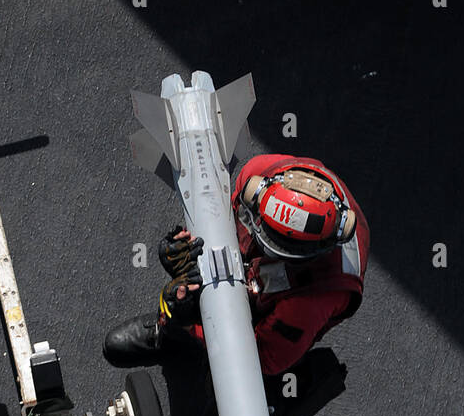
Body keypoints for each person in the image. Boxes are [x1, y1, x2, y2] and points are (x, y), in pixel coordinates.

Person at [103, 156, 369, 377]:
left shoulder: (314, 300)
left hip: (285, 307)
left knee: (230, 391)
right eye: (265, 241)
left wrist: (193, 322)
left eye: (278, 251)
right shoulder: (259, 174)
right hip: (274, 280)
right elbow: (223, 223)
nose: (266, 251)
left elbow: (263, 359)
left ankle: (182, 336)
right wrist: (188, 249)